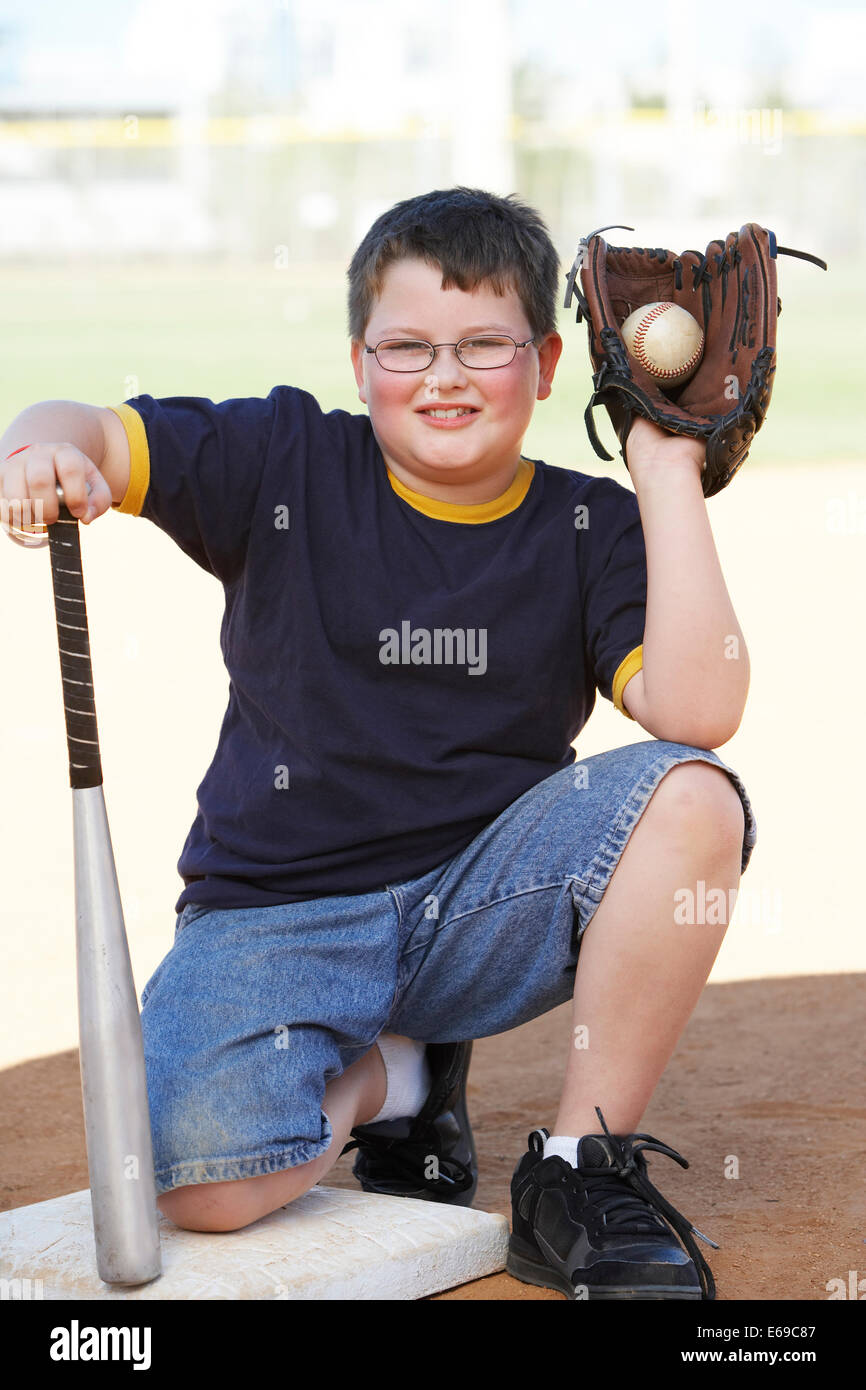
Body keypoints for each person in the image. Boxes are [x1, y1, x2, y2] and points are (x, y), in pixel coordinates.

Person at [0, 186, 756, 1300]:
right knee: (195, 1183)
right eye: (405, 346)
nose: (442, 376)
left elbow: (696, 712)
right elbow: (85, 425)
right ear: (358, 363)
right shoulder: (283, 459)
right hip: (279, 910)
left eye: (483, 346)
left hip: (480, 911)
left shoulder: (586, 525)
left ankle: (572, 1167)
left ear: (547, 364)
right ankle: (396, 1078)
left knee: (694, 794)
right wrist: (38, 452)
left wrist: (663, 470)